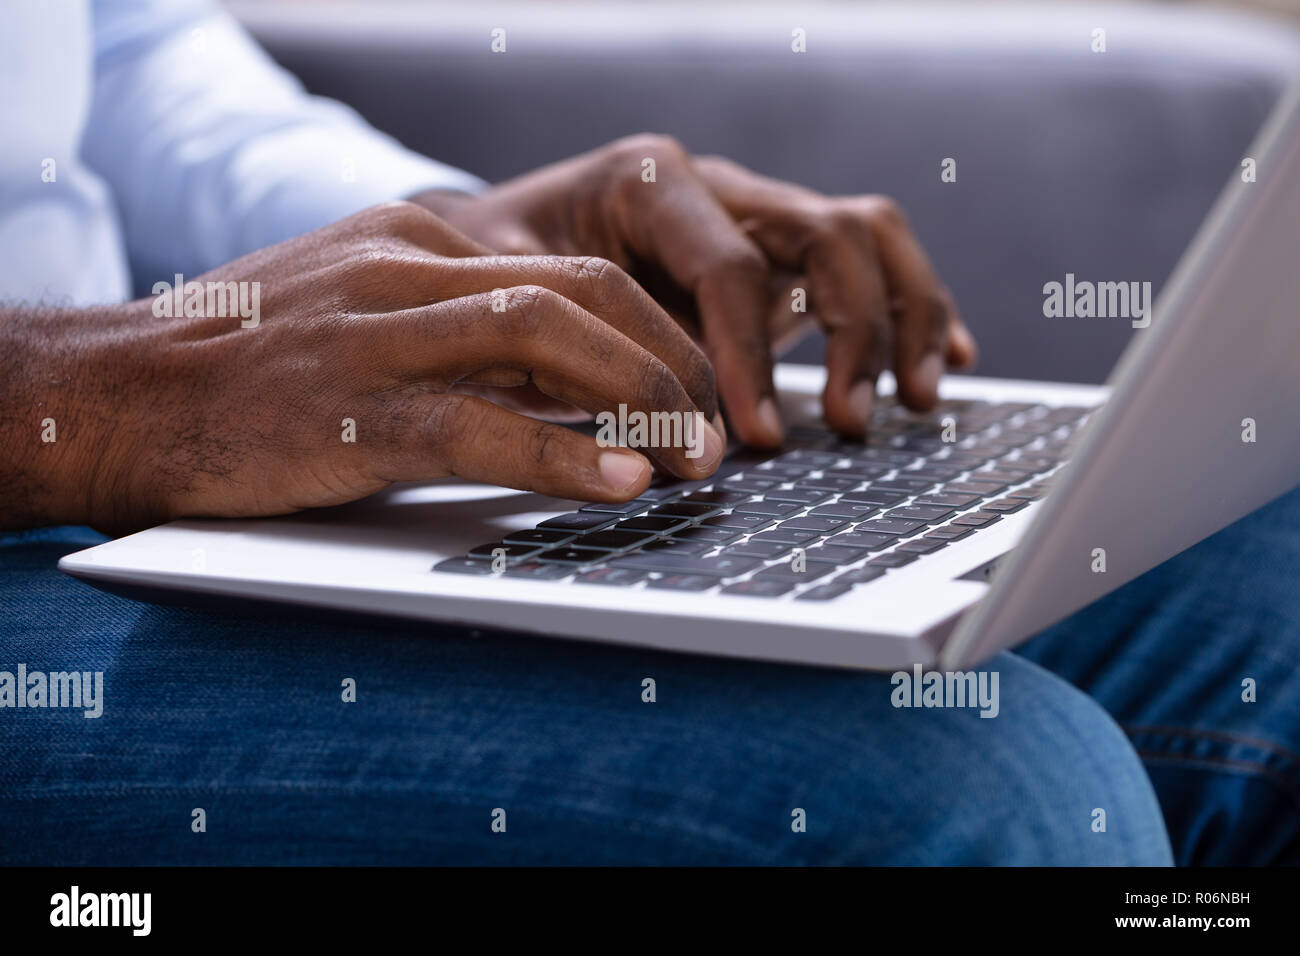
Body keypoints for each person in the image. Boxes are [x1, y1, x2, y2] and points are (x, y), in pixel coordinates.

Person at [0, 0, 1293, 865]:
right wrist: (92, 401)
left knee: (1271, 597)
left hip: (159, 429)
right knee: (974, 788)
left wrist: (459, 253)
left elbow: (127, 55)